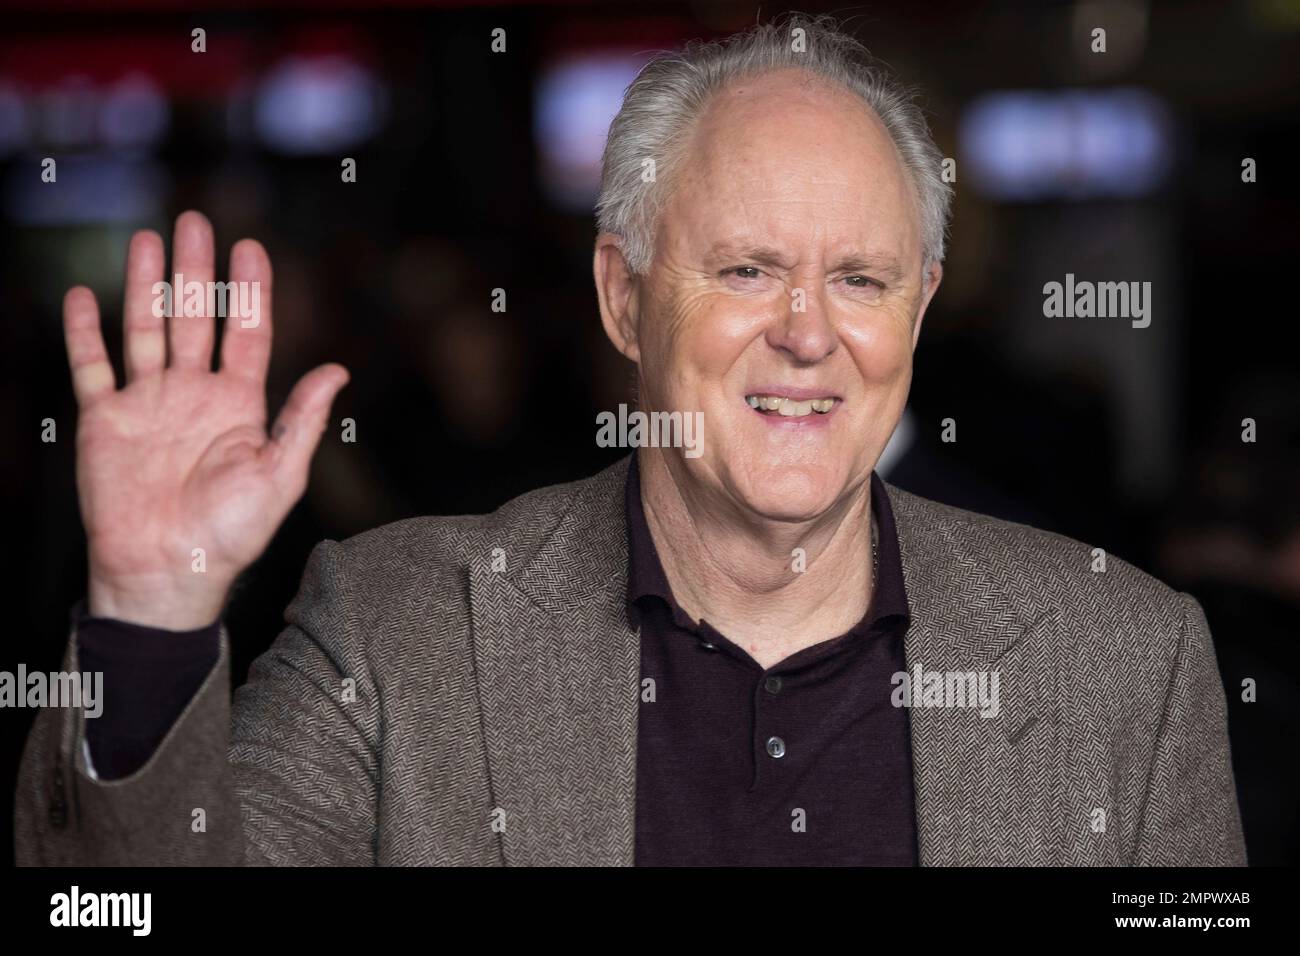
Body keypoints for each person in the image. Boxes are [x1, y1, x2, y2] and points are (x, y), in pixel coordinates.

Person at [16, 15, 1245, 866]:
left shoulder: (1127, 670)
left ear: (918, 307)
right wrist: (146, 610)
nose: (808, 335)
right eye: (746, 268)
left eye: (861, 279)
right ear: (621, 296)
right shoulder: (398, 631)